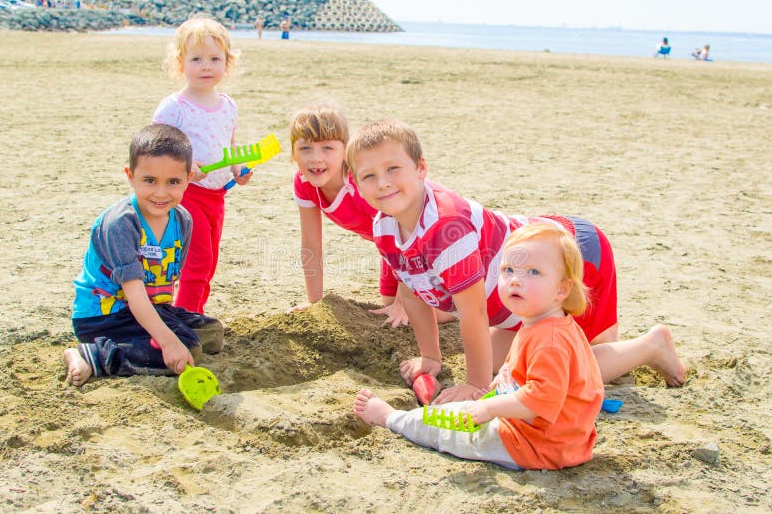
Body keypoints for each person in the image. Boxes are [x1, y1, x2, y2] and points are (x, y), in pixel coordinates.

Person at [345, 119, 686, 403]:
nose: (383, 183)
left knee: (559, 374)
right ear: (357, 184)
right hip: (521, 286)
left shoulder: (447, 228)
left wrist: (475, 387)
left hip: (569, 255)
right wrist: (431, 357)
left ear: (421, 169)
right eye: (369, 176)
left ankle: (652, 345)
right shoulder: (384, 225)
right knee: (502, 364)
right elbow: (411, 292)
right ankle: (600, 341)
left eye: (393, 168)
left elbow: (473, 312)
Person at [354, 222, 604, 470]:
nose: (515, 280)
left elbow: (541, 401)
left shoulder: (550, 341)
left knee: (444, 429)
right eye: (508, 269)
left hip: (533, 444)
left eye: (534, 272)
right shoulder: (547, 324)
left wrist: (489, 406)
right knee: (461, 411)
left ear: (562, 289)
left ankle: (390, 418)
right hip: (562, 440)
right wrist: (503, 381)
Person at [63, 124, 224, 387]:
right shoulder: (121, 223)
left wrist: (169, 329)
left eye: (173, 182)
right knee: (184, 350)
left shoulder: (182, 219)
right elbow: (134, 294)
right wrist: (169, 341)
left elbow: (168, 281)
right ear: (130, 175)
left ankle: (152, 340)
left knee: (211, 332)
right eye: (150, 180)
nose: (161, 193)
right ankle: (95, 355)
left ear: (189, 177)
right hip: (107, 315)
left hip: (149, 307)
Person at [289, 103, 453, 327]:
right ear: (293, 153)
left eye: (327, 148)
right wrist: (315, 304)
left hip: (431, 241)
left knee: (424, 312)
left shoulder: (363, 185)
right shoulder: (304, 183)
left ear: (345, 151)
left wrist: (404, 304)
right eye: (305, 148)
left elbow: (407, 235)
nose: (316, 158)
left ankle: (465, 303)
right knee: (388, 302)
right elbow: (311, 245)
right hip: (393, 251)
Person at [152, 16, 253, 314]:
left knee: (209, 262)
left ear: (227, 63)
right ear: (180, 62)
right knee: (196, 260)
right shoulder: (175, 107)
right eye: (196, 59)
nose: (206, 66)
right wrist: (184, 166)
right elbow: (154, 148)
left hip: (217, 195)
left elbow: (230, 145)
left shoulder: (228, 105)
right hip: (186, 195)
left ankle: (194, 313)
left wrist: (238, 169)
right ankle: (186, 318)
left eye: (214, 59)